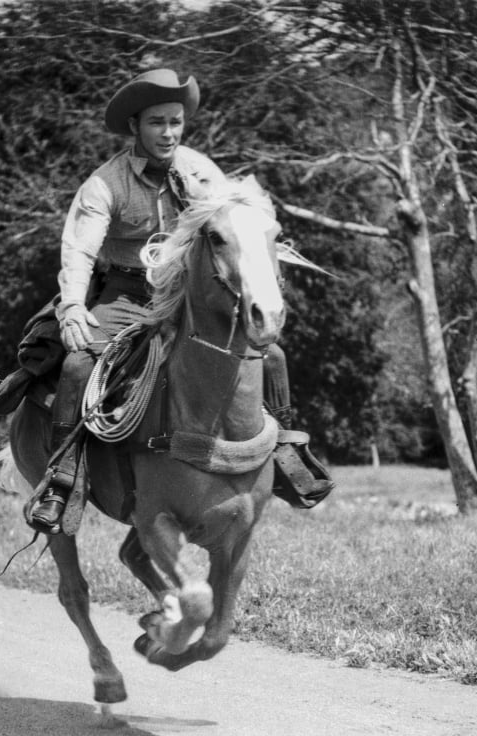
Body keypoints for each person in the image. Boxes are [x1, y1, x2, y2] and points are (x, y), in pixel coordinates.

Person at [27, 69, 331, 534]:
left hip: (187, 289)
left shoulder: (200, 170)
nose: (168, 133)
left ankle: (286, 452)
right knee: (78, 366)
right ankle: (61, 479)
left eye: (175, 121)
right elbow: (80, 251)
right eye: (156, 123)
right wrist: (71, 307)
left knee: (270, 354)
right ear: (135, 127)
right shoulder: (104, 184)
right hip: (127, 293)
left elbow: (233, 224)